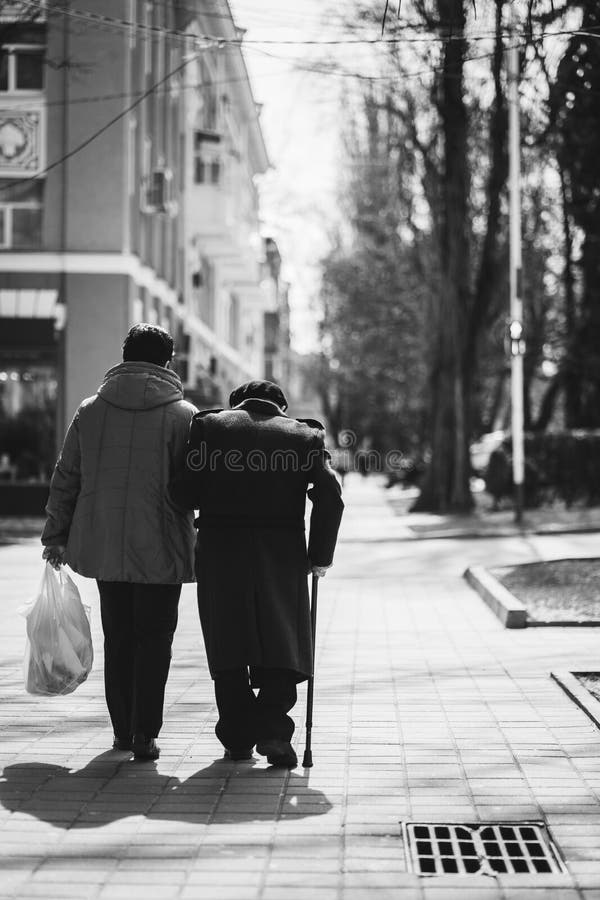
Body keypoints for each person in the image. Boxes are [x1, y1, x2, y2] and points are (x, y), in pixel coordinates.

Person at [41, 324, 197, 760]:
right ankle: (146, 732)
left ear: (125, 356)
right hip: (163, 546)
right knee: (155, 639)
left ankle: (122, 731)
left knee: (120, 636)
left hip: (105, 542)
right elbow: (194, 485)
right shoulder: (184, 416)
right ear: (167, 363)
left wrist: (55, 534)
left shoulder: (91, 410)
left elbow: (66, 476)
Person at [171, 380, 344, 768]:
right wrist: (320, 557)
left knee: (227, 641)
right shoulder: (305, 435)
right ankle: (272, 729)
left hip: (220, 549)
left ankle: (236, 736)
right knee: (282, 640)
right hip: (282, 552)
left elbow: (183, 492)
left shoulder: (210, 427)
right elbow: (330, 496)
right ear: (281, 407)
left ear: (236, 405)